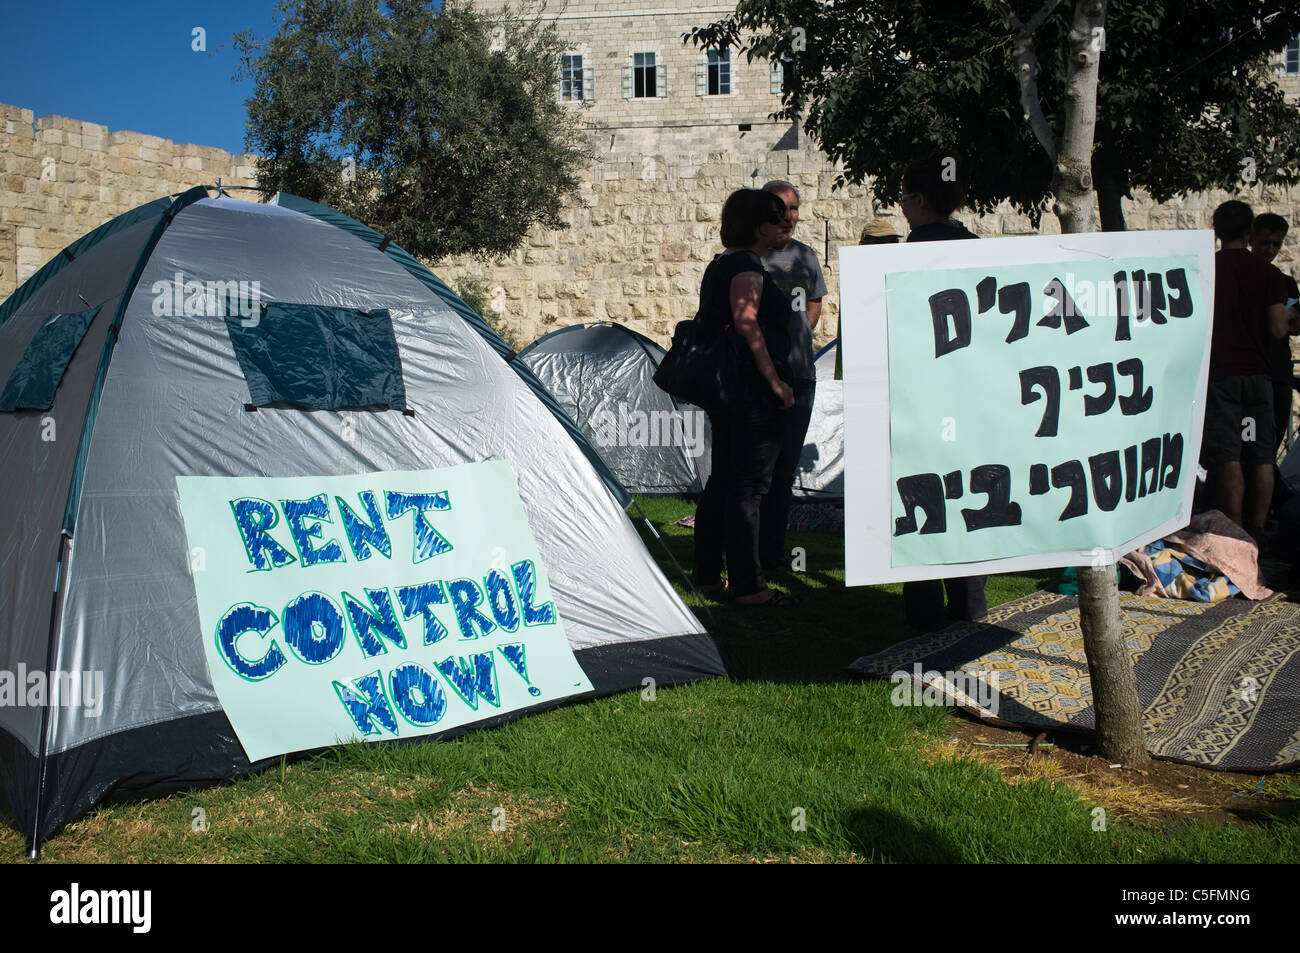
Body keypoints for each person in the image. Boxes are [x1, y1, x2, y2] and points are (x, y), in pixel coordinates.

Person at [692, 188, 798, 607]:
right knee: (749, 489)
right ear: (758, 226)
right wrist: (775, 381)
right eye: (775, 217)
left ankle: (707, 576)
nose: (784, 223)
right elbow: (747, 323)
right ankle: (749, 585)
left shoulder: (723, 263)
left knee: (723, 483)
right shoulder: (746, 266)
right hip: (750, 393)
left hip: (728, 391)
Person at [896, 153, 987, 630]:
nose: (902, 206)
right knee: (966, 490)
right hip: (969, 396)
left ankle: (925, 608)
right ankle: (970, 602)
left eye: (905, 197)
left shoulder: (909, 254)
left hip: (924, 396)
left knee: (923, 495)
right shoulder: (977, 249)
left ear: (922, 199)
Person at [1203, 200, 1289, 542]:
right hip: (1258, 377)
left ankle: (1235, 532)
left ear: (1216, 231)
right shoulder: (1269, 274)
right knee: (1260, 454)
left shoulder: (1206, 270)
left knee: (1229, 454)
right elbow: (1278, 329)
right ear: (1250, 231)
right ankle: (1258, 528)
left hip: (1222, 375)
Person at [758, 180, 827, 575]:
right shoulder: (752, 256)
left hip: (801, 376)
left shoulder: (807, 257)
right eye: (781, 208)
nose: (789, 216)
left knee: (783, 472)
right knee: (756, 472)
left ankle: (772, 555)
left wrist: (801, 333)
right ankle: (743, 556)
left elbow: (815, 302)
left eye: (795, 208)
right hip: (761, 380)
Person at [1248, 212, 1300, 457]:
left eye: (1276, 244)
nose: (1270, 250)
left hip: (1278, 375)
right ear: (1251, 238)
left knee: (1268, 451)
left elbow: (1295, 326)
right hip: (1249, 378)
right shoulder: (1240, 277)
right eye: (1264, 242)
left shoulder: (1286, 282)